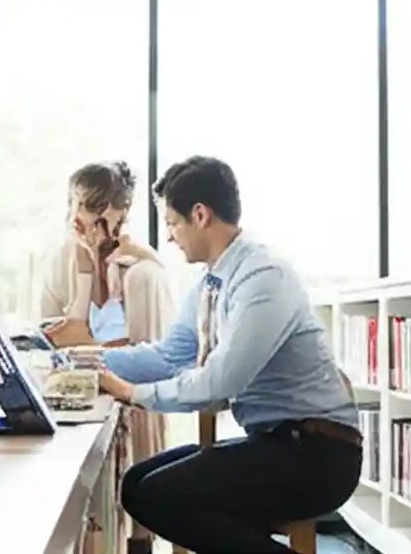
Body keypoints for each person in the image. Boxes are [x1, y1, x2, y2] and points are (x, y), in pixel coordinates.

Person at [97, 156, 362, 554]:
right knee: (136, 485)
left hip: (317, 456)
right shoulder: (211, 281)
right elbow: (171, 356)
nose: (170, 237)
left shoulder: (263, 277)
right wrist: (88, 363)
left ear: (200, 215)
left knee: (158, 496)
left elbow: (221, 381)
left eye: (172, 223)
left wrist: (131, 393)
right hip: (275, 443)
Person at [38, 160, 177, 554]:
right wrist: (84, 272)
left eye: (104, 218)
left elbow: (149, 356)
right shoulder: (62, 260)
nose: (89, 227)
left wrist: (82, 348)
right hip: (80, 397)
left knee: (134, 490)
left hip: (133, 400)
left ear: (122, 216)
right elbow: (52, 341)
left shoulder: (142, 270)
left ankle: (140, 540)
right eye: (82, 211)